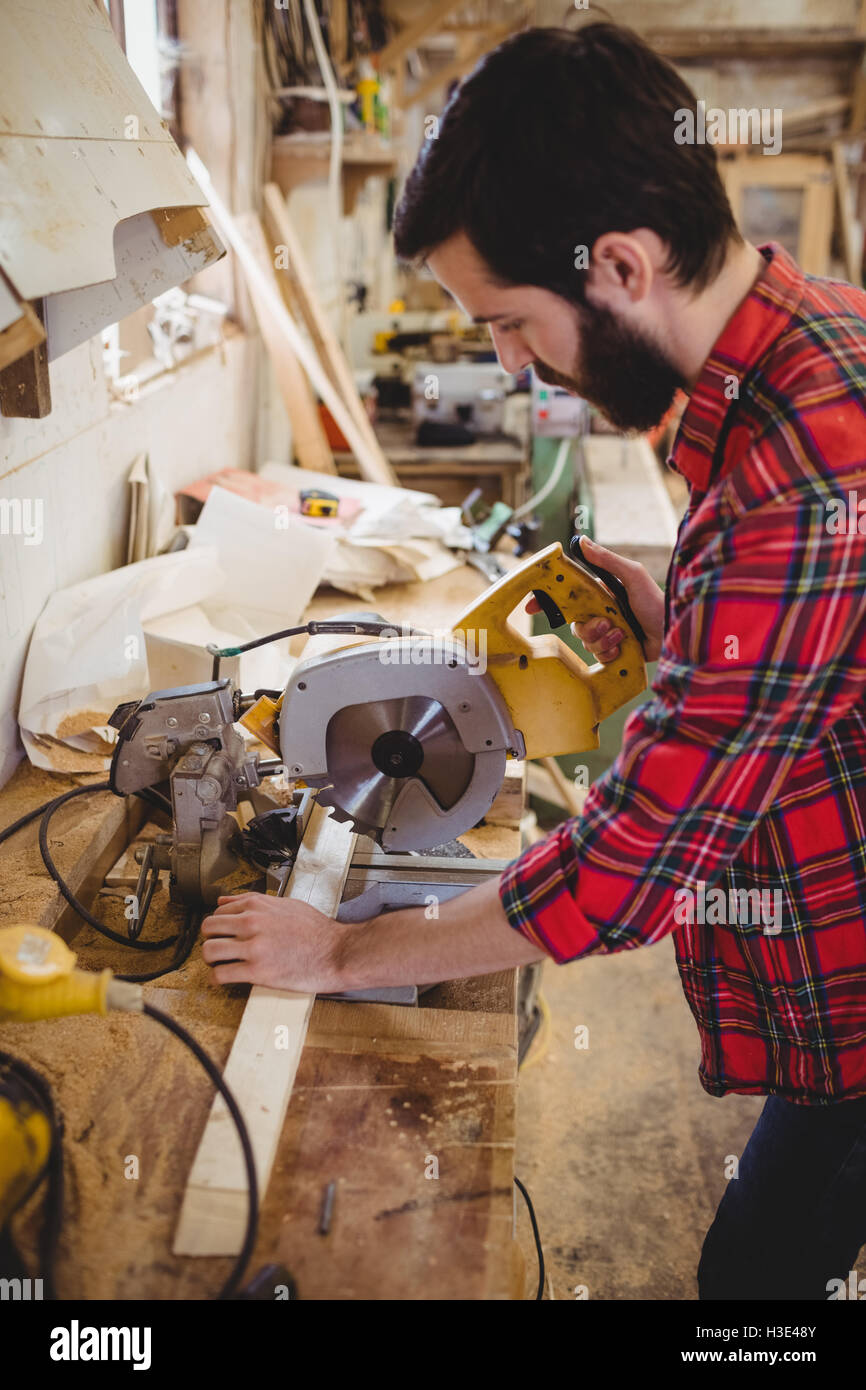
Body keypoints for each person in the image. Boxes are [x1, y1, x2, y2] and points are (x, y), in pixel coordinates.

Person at [202, 23, 866, 1299]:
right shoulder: (808, 334)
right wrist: (691, 626)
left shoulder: (787, 482)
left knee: (755, 1287)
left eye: (507, 322)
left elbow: (621, 880)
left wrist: (331, 953)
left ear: (617, 264)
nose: (508, 363)